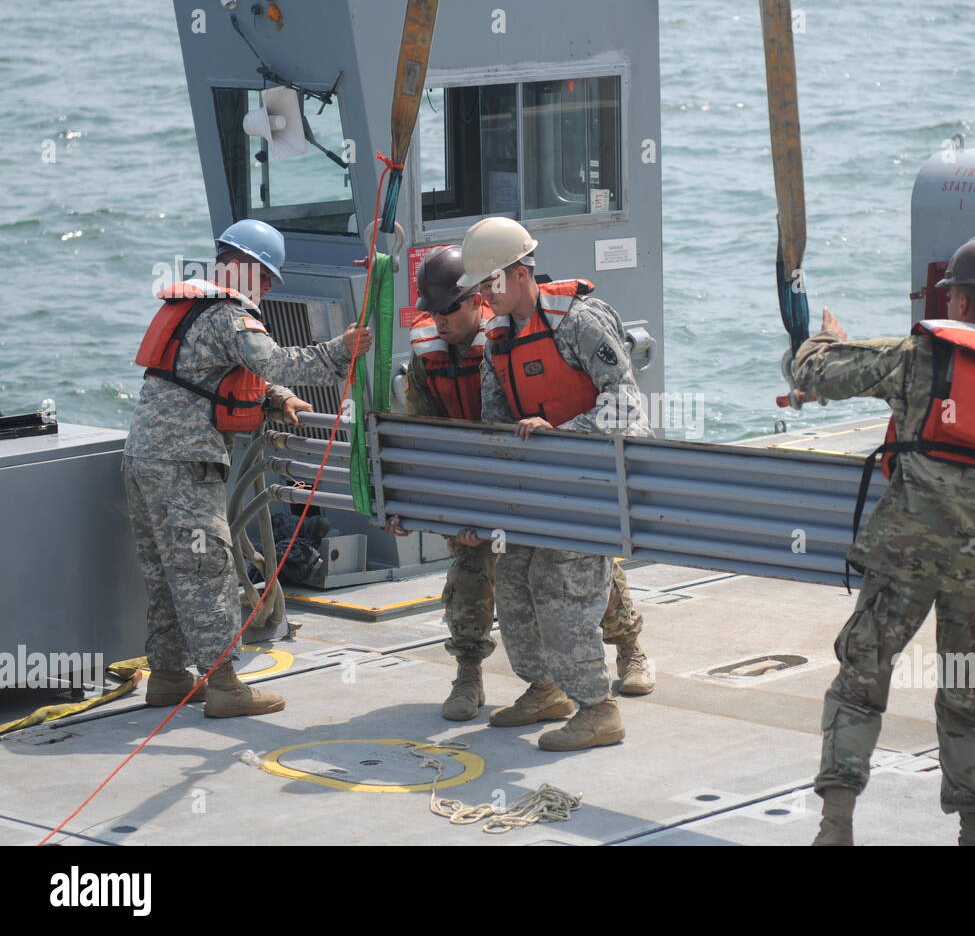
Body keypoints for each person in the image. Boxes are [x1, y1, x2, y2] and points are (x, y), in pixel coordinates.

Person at [795, 235, 975, 845]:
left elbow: (813, 373)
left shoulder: (921, 356)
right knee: (965, 692)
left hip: (905, 551)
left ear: (960, 304)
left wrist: (825, 335)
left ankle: (836, 827)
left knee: (863, 678)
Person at [387, 245, 654, 723]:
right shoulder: (453, 354)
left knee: (576, 582)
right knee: (494, 582)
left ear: (478, 297)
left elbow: (625, 405)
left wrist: (561, 438)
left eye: (451, 307)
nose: (440, 320)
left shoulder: (570, 323)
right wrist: (443, 511)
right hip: (495, 482)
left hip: (568, 474)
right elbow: (433, 439)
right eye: (434, 311)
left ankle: (620, 662)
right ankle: (505, 680)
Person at [124, 218, 371, 717]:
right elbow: (277, 363)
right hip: (185, 464)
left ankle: (169, 677)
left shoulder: (197, 309)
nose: (263, 289)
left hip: (145, 457)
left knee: (166, 574)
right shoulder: (228, 314)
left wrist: (278, 400)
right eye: (263, 277)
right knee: (205, 570)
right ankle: (225, 687)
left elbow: (213, 377)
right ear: (241, 266)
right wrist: (339, 350)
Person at [459, 216, 652, 751]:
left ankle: (598, 709)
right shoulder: (497, 342)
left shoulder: (580, 323)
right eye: (477, 287)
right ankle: (546, 690)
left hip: (595, 485)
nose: (482, 295)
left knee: (559, 591)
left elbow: (628, 406)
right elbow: (497, 429)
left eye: (488, 283)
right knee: (516, 583)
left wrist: (562, 433)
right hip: (540, 492)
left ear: (520, 273)